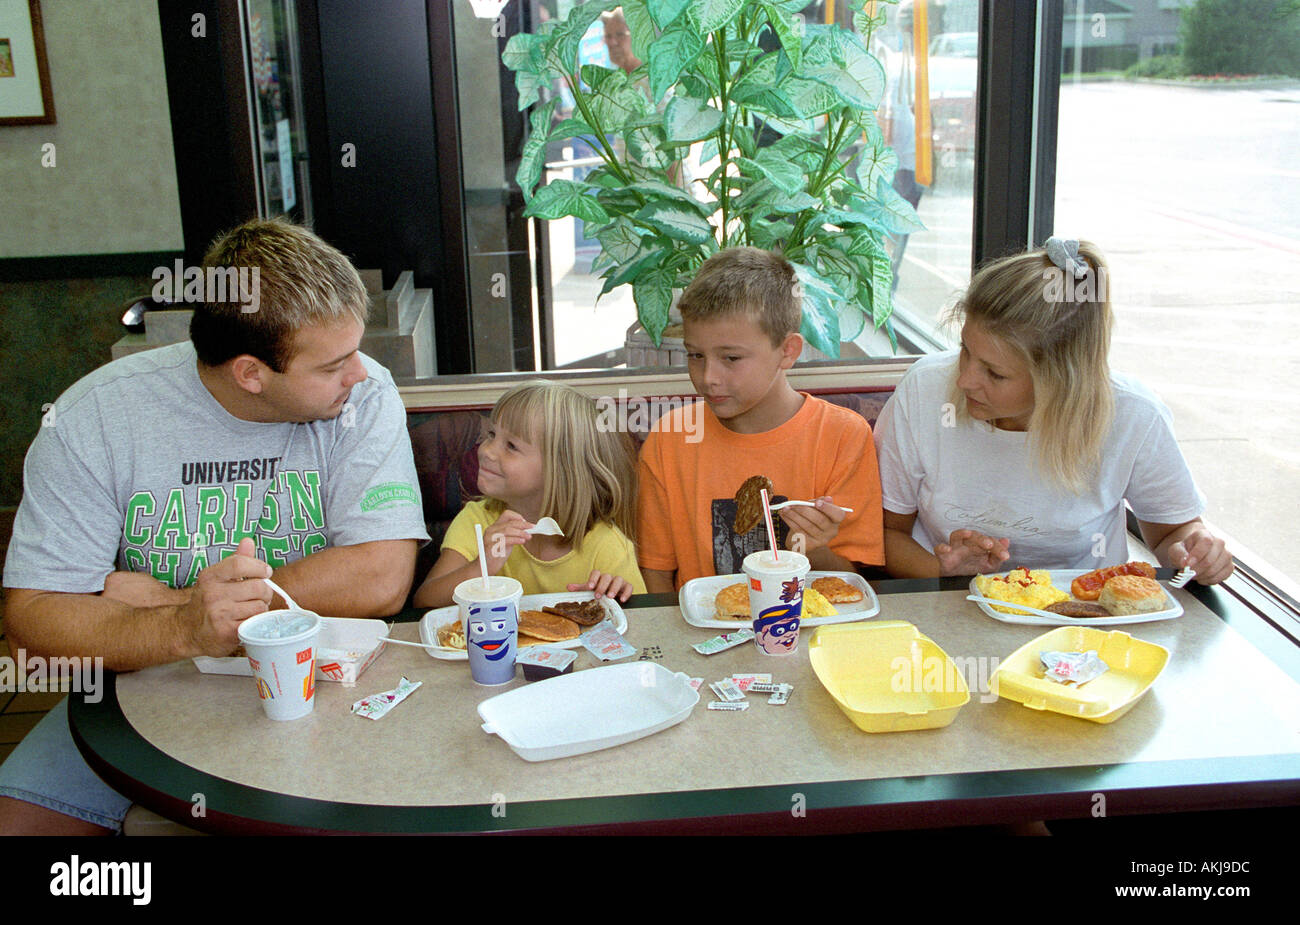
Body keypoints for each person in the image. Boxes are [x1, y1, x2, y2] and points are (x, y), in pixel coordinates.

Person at [0, 217, 430, 835]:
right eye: (334, 363)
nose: (359, 373)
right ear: (251, 373)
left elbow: (381, 577)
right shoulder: (92, 418)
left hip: (327, 679)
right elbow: (34, 623)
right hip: (142, 693)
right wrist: (182, 627)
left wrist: (178, 606)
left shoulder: (363, 399)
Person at [873, 237, 1234, 582]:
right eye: (965, 349)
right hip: (951, 608)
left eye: (995, 373)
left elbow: (1172, 531)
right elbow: (883, 532)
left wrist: (1197, 552)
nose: (965, 380)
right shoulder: (924, 389)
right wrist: (942, 571)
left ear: (1061, 381)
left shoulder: (1134, 415)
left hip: (1082, 616)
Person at [636, 247, 886, 591]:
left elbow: (850, 582)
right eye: (695, 355)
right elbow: (656, 573)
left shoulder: (843, 436)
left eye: (732, 358)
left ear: (788, 351)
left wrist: (817, 546)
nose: (708, 377)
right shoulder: (671, 438)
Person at [414, 380, 645, 607]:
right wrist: (481, 566)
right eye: (491, 434)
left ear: (561, 471)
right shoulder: (477, 519)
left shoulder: (606, 544)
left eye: (511, 446)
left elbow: (643, 623)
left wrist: (613, 595)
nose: (486, 451)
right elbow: (425, 601)